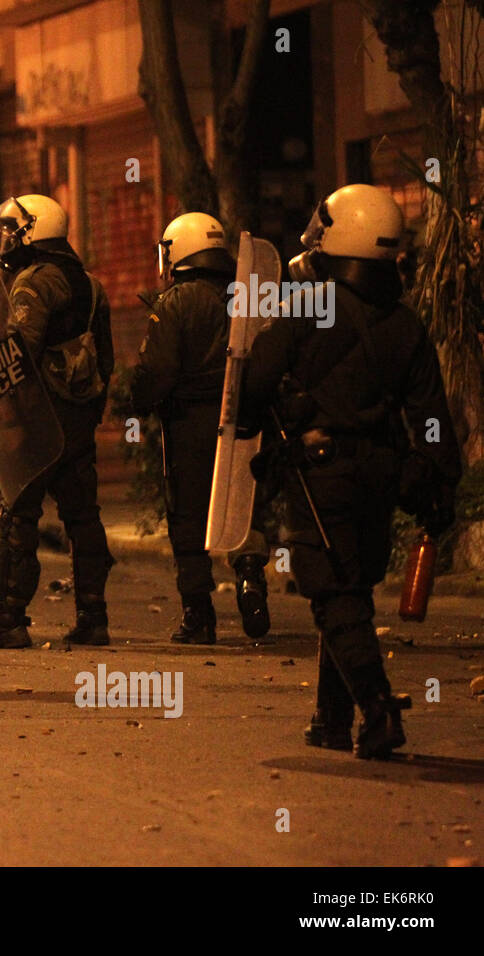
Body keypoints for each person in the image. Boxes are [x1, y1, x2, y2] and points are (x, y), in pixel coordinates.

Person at [239, 183, 460, 758]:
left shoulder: (309, 307)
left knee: (333, 593)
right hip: (383, 476)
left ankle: (378, 709)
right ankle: (331, 720)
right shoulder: (406, 326)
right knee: (351, 588)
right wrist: (435, 483)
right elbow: (432, 420)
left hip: (322, 473)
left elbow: (253, 384)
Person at [0, 194, 115, 649]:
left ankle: (9, 619)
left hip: (38, 417)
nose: (6, 238)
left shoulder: (33, 282)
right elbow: (106, 359)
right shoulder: (92, 284)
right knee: (83, 517)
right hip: (78, 417)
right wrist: (89, 415)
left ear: (32, 232)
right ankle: (93, 617)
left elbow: (20, 353)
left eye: (12, 229)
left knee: (18, 516)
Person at [131, 212, 271, 644]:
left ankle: (198, 615)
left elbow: (157, 370)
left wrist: (137, 401)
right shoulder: (246, 295)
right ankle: (250, 578)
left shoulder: (175, 302)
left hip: (189, 423)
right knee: (241, 502)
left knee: (189, 514)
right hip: (244, 417)